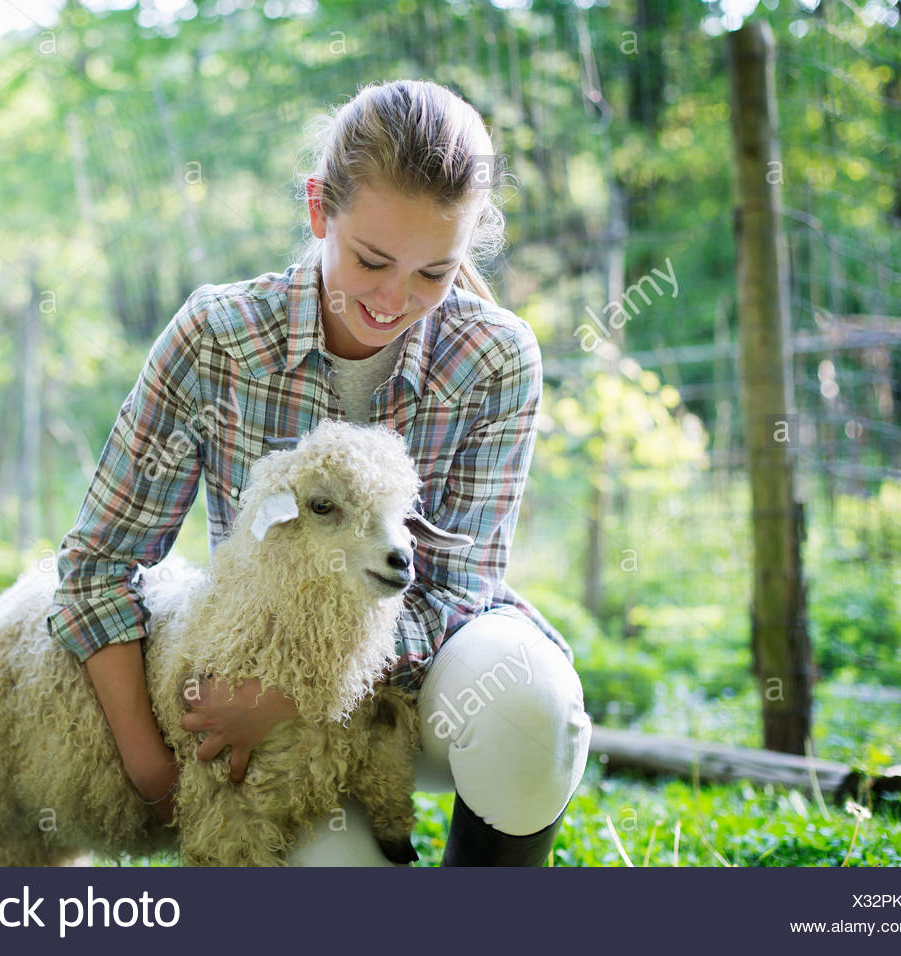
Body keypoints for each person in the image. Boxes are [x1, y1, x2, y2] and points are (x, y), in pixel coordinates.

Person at [47, 78, 592, 866]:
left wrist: (296, 693)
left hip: (419, 681)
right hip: (257, 687)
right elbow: (98, 568)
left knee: (533, 714)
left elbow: (459, 587)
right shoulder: (218, 338)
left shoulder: (496, 357)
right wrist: (153, 772)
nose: (394, 299)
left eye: (434, 273)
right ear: (317, 211)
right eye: (372, 259)